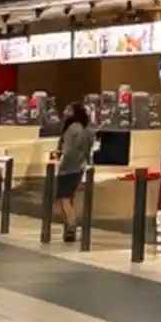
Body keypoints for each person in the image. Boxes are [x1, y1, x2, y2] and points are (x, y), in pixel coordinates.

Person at [53, 102, 96, 243]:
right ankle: (68, 231)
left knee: (64, 198)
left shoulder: (72, 129)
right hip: (79, 166)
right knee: (68, 198)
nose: (65, 111)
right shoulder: (85, 129)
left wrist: (61, 157)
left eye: (68, 109)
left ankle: (71, 224)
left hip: (68, 168)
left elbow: (69, 150)